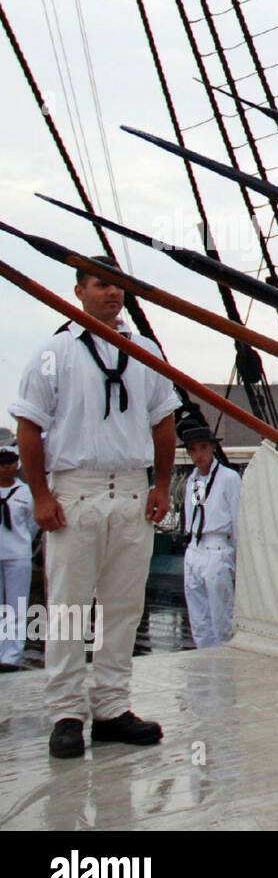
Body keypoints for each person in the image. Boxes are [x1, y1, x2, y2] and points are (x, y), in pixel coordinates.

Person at [9, 256, 179, 758]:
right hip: (74, 490)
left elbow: (163, 422)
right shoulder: (52, 353)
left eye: (118, 286)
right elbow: (29, 428)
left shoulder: (146, 352)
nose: (112, 294)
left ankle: (111, 707)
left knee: (123, 607)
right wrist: (40, 494)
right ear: (79, 289)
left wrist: (163, 485)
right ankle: (65, 711)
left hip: (130, 489)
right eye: (101, 284)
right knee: (67, 608)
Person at [179, 424, 241, 648]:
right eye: (193, 450)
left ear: (213, 448)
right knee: (199, 621)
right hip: (195, 548)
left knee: (221, 619)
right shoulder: (194, 481)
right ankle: (205, 667)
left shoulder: (228, 478)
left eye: (203, 448)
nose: (199, 455)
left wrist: (237, 560)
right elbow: (195, 512)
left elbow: (237, 518)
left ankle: (223, 669)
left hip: (217, 548)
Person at [0, 445, 36, 671]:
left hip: (18, 555)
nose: (7, 468)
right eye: (3, 464)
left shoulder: (26, 492)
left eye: (11, 463)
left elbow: (32, 525)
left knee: (16, 606)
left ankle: (11, 656)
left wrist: (23, 543)